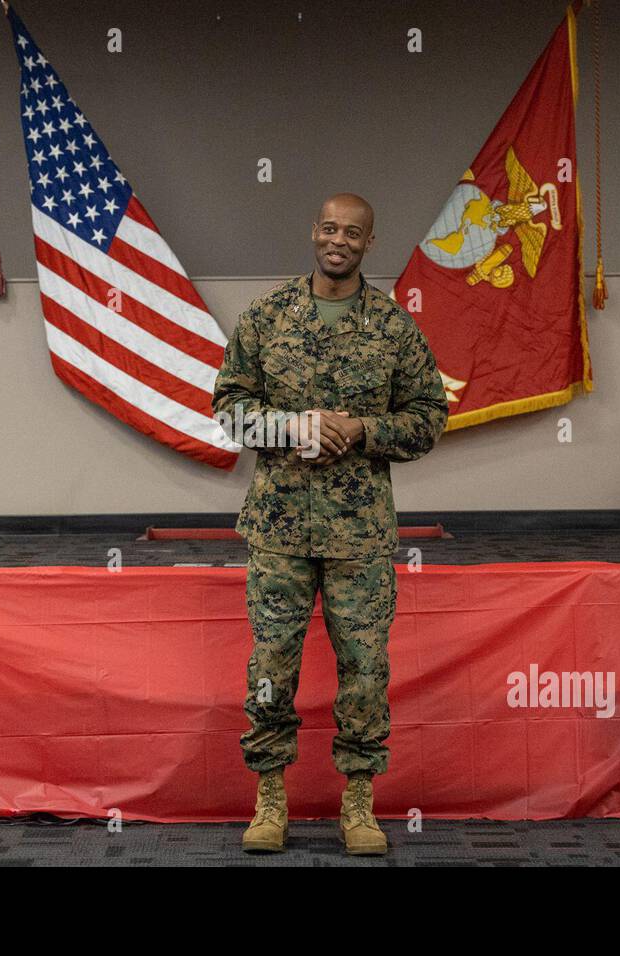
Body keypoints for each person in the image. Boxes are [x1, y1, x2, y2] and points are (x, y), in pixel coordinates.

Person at [212, 193, 449, 855]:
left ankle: (358, 804)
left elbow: (429, 418)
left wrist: (364, 430)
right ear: (313, 231)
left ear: (369, 243)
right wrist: (291, 427)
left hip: (358, 534)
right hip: (280, 531)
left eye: (352, 232)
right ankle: (269, 801)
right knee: (271, 668)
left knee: (366, 672)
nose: (338, 240)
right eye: (329, 228)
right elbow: (228, 409)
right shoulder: (265, 318)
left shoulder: (393, 328)